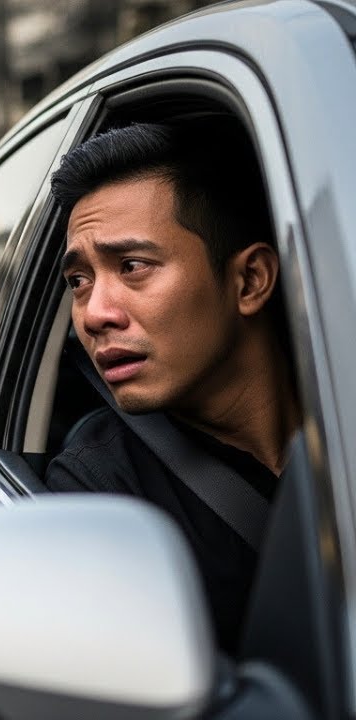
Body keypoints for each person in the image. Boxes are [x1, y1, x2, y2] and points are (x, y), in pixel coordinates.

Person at [45, 121, 300, 653]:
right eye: (78, 281)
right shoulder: (103, 494)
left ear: (249, 280)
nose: (93, 314)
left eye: (133, 266)